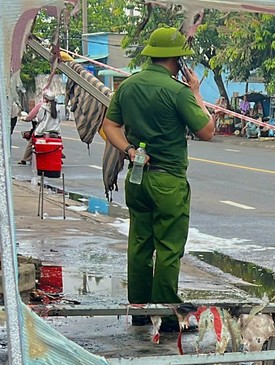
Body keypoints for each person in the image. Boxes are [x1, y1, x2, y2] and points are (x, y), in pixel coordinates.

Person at [100, 26, 213, 320]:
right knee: (168, 247)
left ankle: (138, 309)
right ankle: (163, 314)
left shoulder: (127, 86)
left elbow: (109, 126)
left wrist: (129, 150)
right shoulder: (178, 92)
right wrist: (196, 92)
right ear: (177, 61)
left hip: (137, 178)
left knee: (139, 243)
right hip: (168, 181)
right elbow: (207, 131)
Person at [17, 89, 61, 165]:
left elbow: (39, 119)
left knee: (32, 141)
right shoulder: (58, 108)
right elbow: (59, 119)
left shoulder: (42, 107)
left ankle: (25, 158)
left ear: (45, 98)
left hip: (42, 130)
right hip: (56, 130)